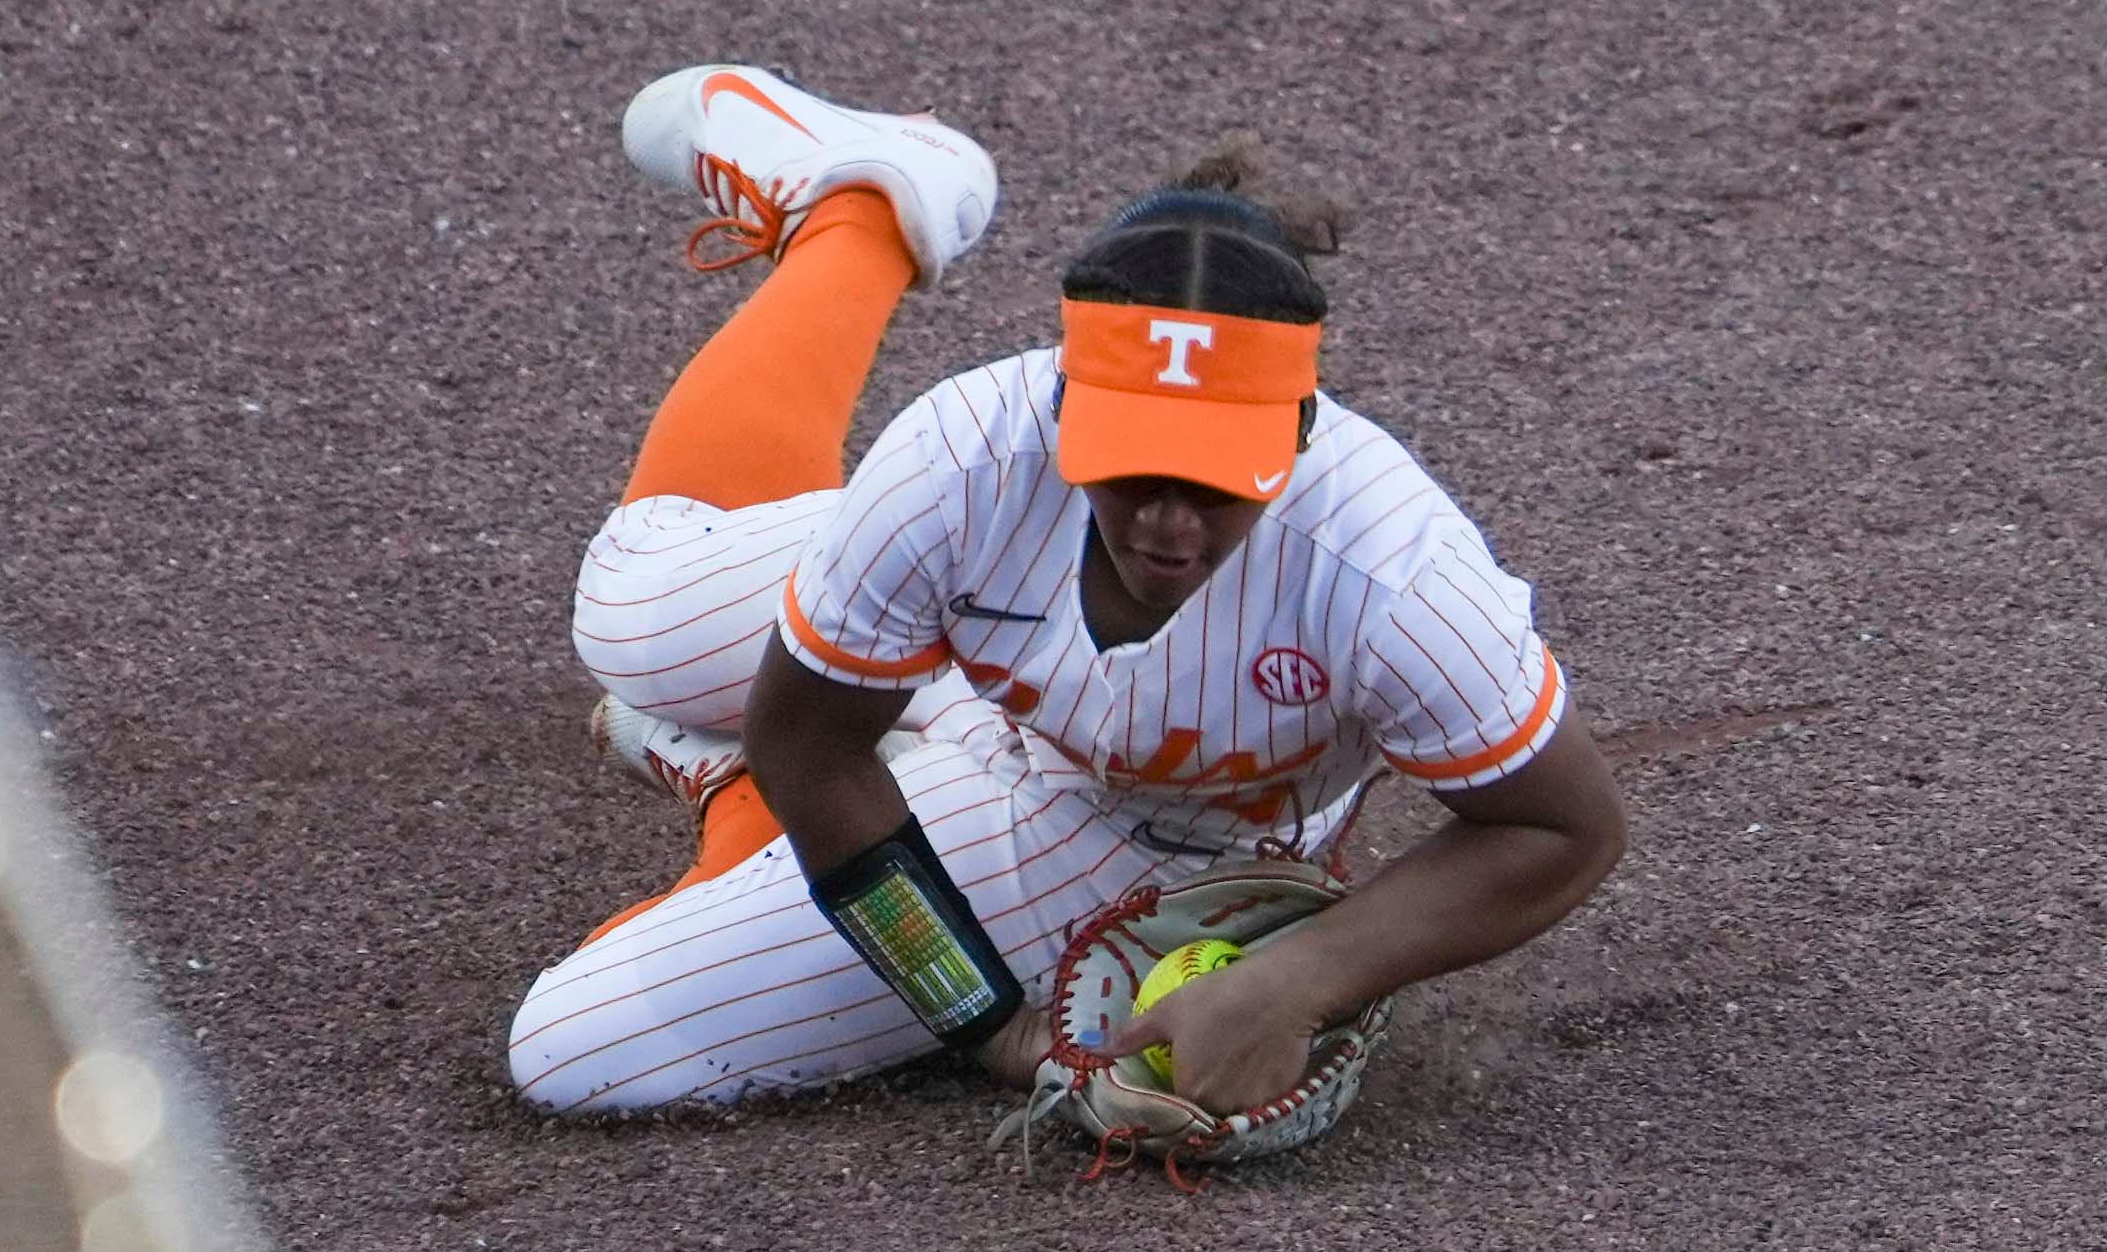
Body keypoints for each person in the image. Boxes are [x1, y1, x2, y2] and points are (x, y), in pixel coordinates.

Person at [508, 65, 1625, 1117]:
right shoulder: (960, 461)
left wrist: (1299, 979)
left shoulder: (1391, 568)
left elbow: (1562, 827)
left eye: (1214, 481)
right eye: (1132, 464)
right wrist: (981, 1016)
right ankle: (858, 205)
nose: (1168, 522)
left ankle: (742, 783)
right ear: (1061, 401)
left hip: (1146, 821)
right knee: (624, 604)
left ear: (1296, 433)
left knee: (576, 1052)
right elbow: (807, 736)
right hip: (947, 683)